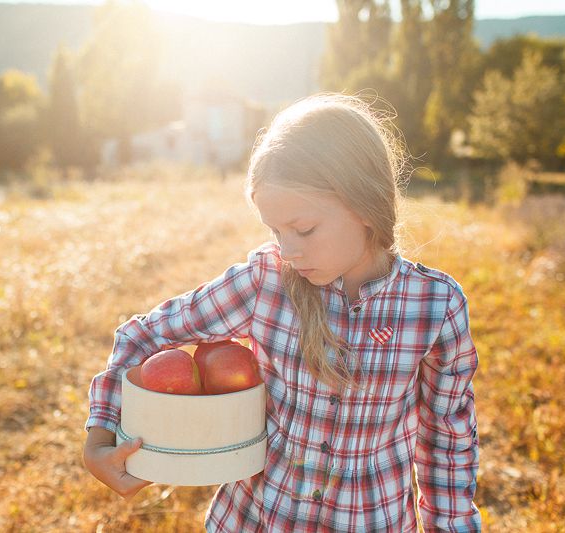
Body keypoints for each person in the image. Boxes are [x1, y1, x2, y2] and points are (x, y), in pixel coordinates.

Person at [83, 92, 481, 532]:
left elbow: (446, 439)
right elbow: (142, 336)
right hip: (258, 519)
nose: (288, 250)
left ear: (366, 205)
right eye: (275, 230)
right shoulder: (263, 282)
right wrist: (99, 436)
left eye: (304, 229)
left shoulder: (436, 305)